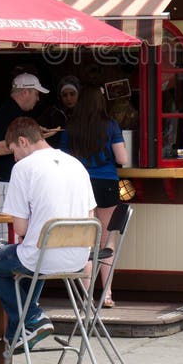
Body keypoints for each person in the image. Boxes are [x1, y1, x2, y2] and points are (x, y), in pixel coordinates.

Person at [0, 117, 96, 352]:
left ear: (22, 141)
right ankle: (18, 331)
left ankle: (33, 317)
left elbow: (20, 229)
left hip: (42, 257)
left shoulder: (24, 167)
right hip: (78, 259)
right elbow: (90, 216)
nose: (13, 158)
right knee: (30, 264)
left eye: (13, 151)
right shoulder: (77, 164)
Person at [60, 85, 128, 308]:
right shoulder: (111, 125)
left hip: (79, 183)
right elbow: (123, 159)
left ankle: (87, 295)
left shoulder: (71, 127)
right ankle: (106, 293)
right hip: (106, 182)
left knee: (85, 239)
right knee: (107, 239)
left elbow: (62, 159)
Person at [0, 73, 50, 227]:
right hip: (5, 182)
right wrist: (33, 141)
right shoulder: (6, 113)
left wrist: (35, 135)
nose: (38, 99)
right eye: (36, 94)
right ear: (25, 92)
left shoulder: (15, 112)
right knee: (8, 236)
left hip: (14, 182)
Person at [38, 75, 80, 149]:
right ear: (60, 96)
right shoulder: (51, 113)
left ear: (78, 94)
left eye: (72, 94)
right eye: (65, 95)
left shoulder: (84, 113)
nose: (69, 98)